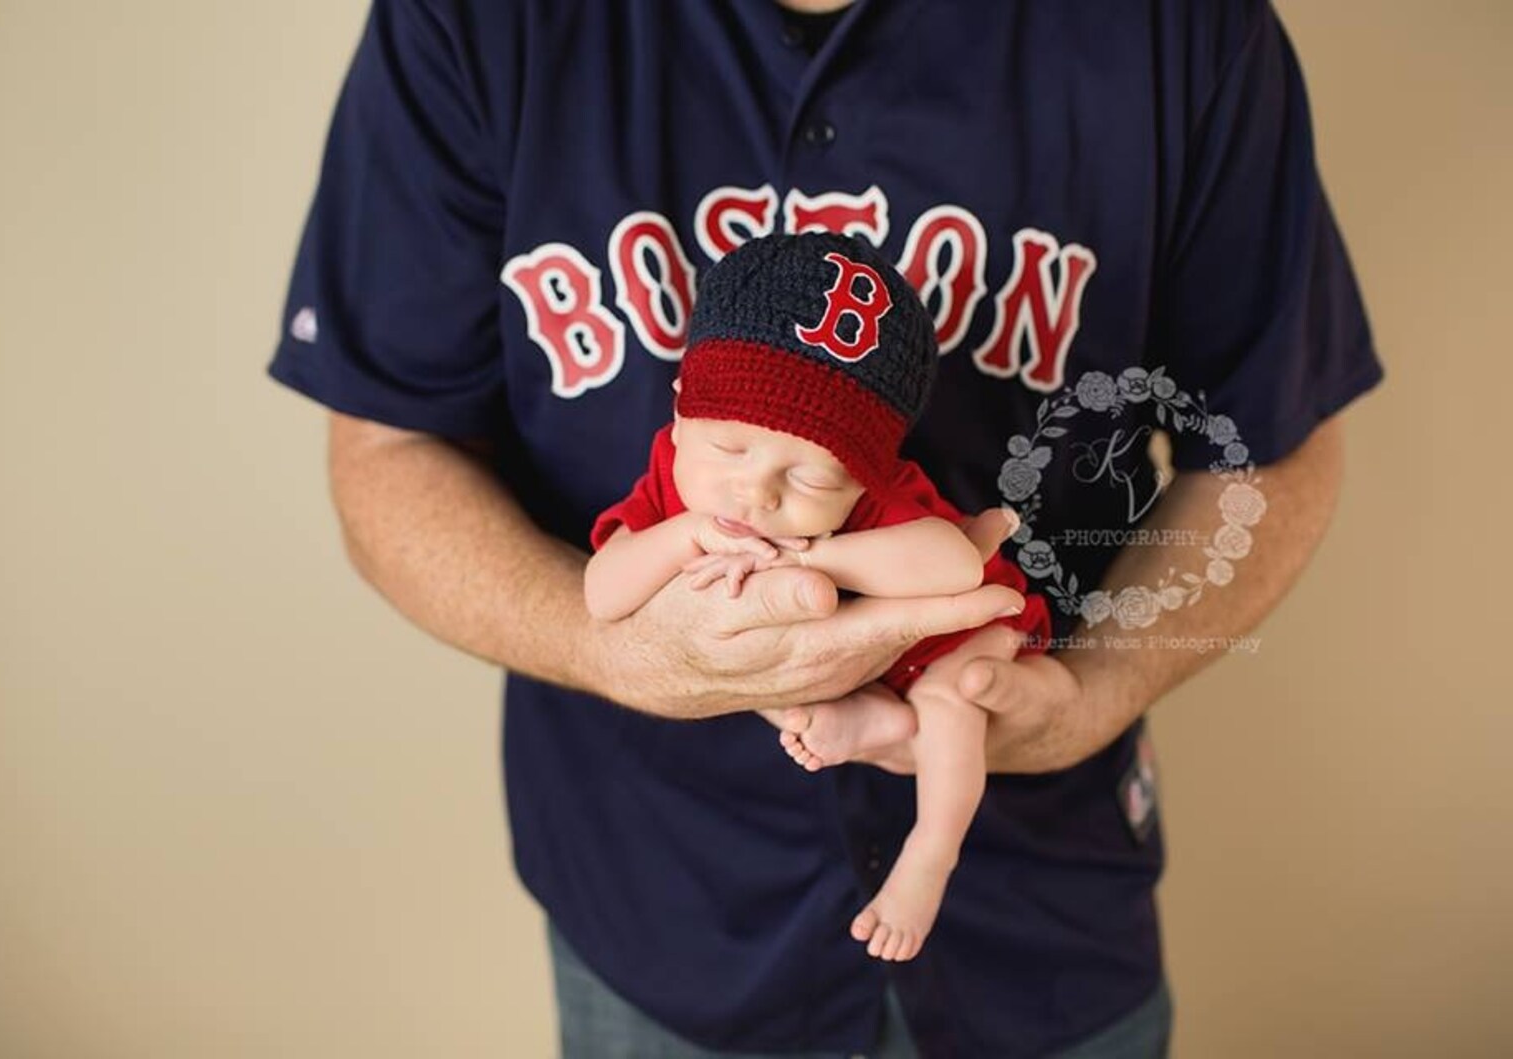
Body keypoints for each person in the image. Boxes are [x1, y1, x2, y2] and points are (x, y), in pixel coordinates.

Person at [267, 0, 1383, 1054]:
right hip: (664, 914)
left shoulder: (1170, 26)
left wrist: (1093, 692)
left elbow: (1266, 449)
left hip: (1039, 911)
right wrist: (617, 650)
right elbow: (387, 450)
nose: (756, 490)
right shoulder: (474, 21)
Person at [584, 232, 1055, 963]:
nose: (757, 491)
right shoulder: (678, 478)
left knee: (954, 697)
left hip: (954, 646)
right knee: (783, 688)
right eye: (730, 451)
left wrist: (819, 554)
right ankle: (876, 724)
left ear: (868, 478)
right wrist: (686, 537)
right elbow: (603, 592)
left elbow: (956, 565)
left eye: (810, 480)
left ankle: (930, 853)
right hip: (833, 683)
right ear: (680, 412)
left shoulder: (871, 500)